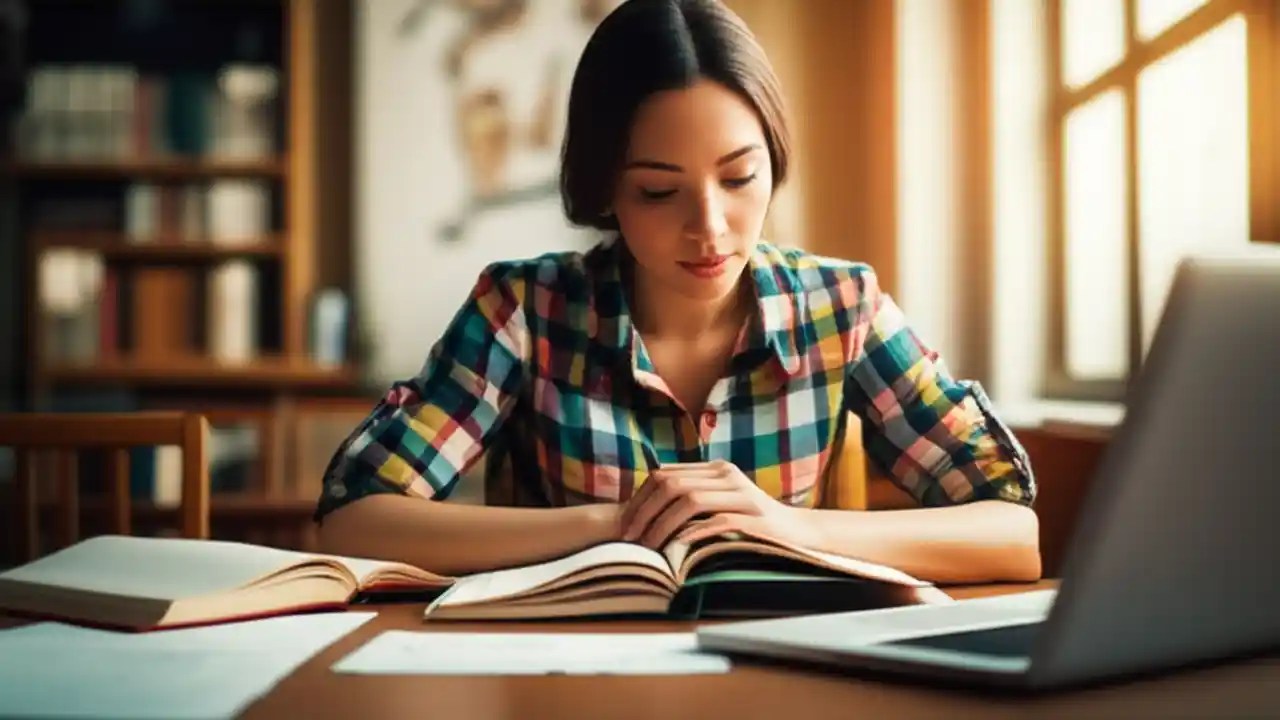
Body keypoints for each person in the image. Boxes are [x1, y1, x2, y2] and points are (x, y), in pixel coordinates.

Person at [315, 0, 1041, 585]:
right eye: (659, 191)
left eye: (738, 178)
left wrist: (784, 525)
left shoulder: (840, 307)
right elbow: (355, 519)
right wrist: (622, 526)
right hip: (564, 685)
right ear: (606, 188)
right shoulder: (525, 310)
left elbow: (1012, 533)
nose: (709, 226)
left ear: (774, 163)